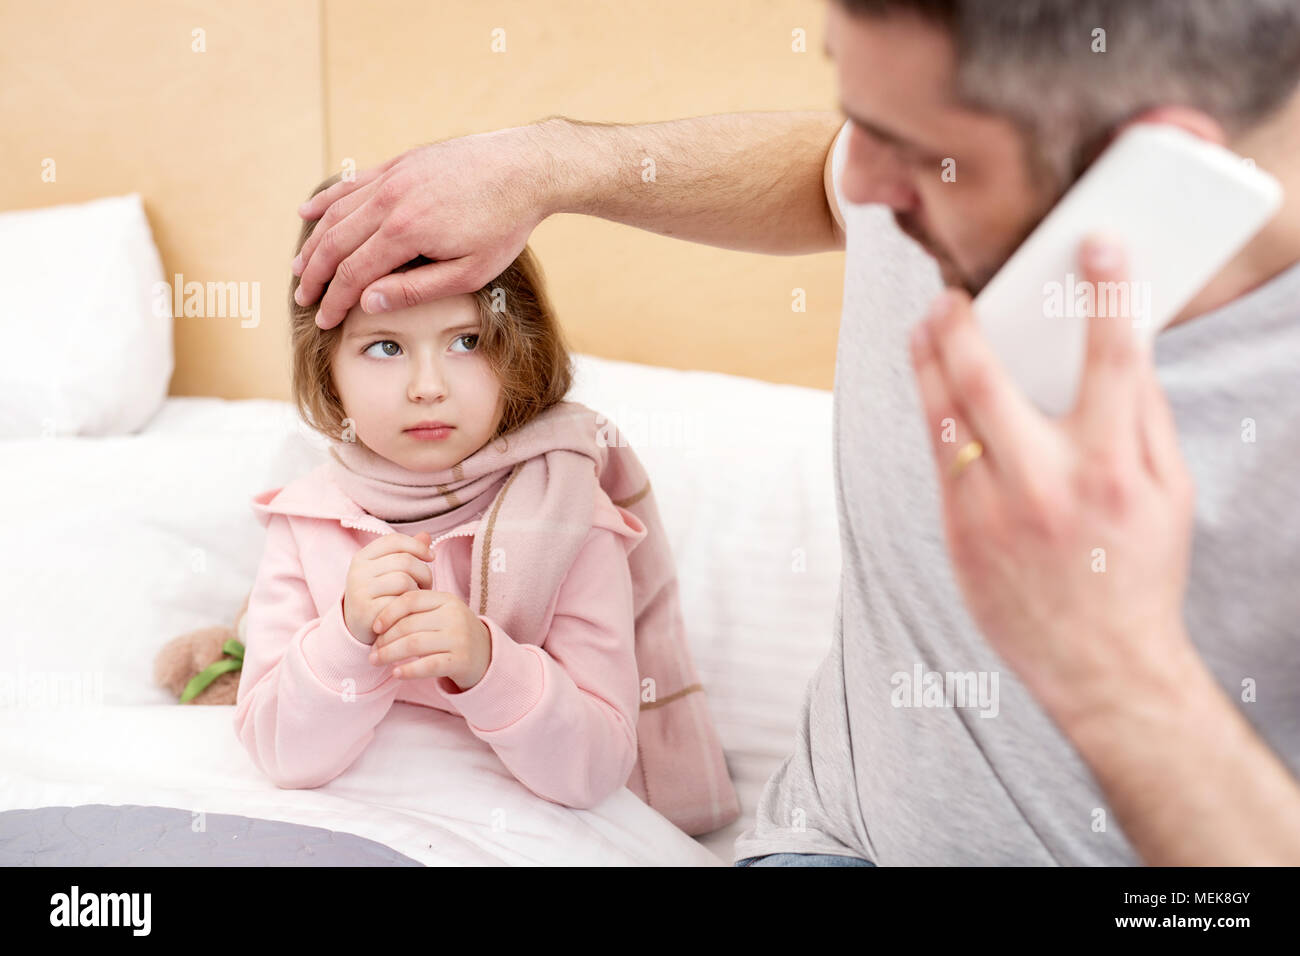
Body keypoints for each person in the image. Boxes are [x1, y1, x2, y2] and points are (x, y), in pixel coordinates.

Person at [289, 0, 1300, 865]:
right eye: (857, 121)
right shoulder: (937, 176)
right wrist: (556, 164)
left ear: (1151, 164)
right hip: (832, 845)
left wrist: (1118, 674)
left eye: (907, 153)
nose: (858, 190)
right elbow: (827, 171)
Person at [233, 173, 738, 837]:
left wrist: (488, 665)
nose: (428, 387)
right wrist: (346, 638)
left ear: (516, 345)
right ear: (327, 369)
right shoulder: (307, 521)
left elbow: (596, 768)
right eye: (384, 347)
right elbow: (279, 755)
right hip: (343, 831)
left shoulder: (572, 519)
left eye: (466, 342)